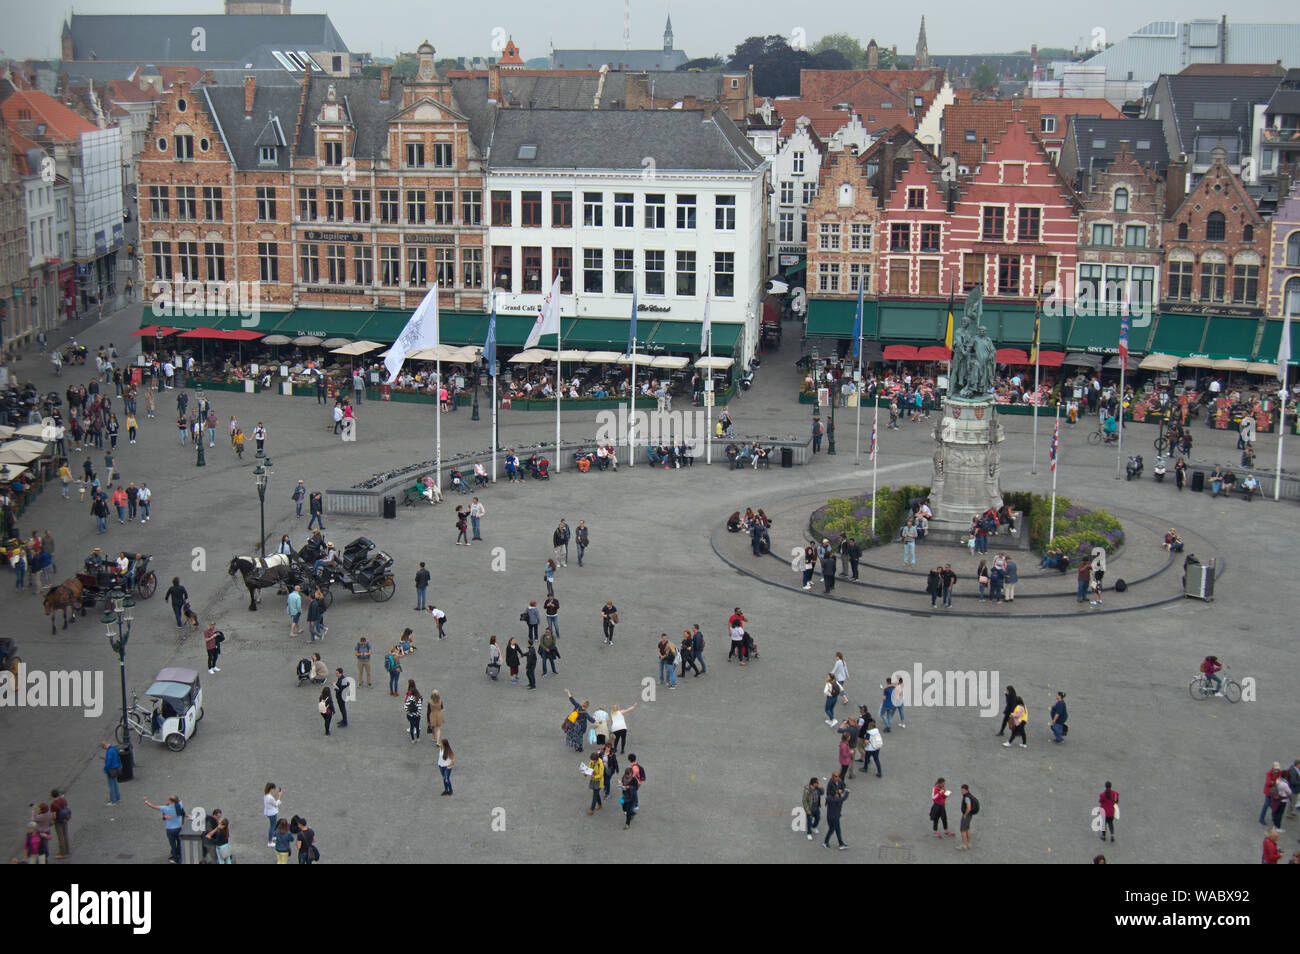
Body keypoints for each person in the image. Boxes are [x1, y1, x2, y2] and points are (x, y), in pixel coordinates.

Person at [142, 794, 188, 864]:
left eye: (168, 800)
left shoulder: (165, 808)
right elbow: (180, 801)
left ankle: (175, 859)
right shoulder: (179, 805)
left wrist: (146, 801)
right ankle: (180, 856)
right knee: (179, 843)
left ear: (171, 801)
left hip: (170, 829)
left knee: (173, 845)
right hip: (178, 828)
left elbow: (153, 807)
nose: (167, 801)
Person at [822, 773, 849, 849]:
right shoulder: (833, 799)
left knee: (837, 829)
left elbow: (842, 787)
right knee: (832, 829)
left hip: (835, 815)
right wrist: (847, 792)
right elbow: (842, 798)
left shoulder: (834, 798)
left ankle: (841, 843)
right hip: (833, 817)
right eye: (836, 776)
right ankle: (825, 842)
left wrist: (842, 787)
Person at [958, 784, 978, 850]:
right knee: (967, 828)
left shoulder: (967, 797)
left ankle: (964, 844)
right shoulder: (970, 795)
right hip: (970, 815)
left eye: (962, 790)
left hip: (967, 815)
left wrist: (965, 815)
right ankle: (969, 843)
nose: (961, 792)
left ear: (966, 790)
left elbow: (968, 808)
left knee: (962, 830)